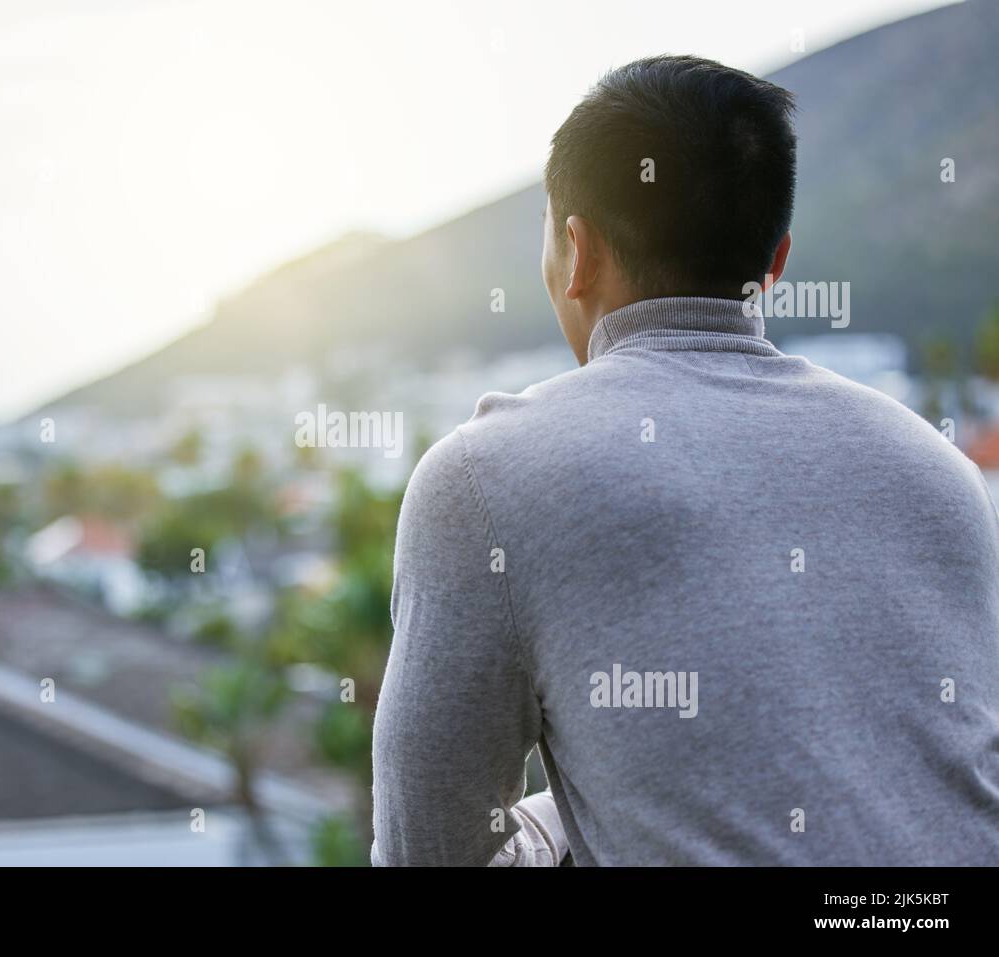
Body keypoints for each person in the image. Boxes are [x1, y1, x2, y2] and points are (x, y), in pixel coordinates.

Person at [370, 55, 999, 866]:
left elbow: (433, 853)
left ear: (577, 250)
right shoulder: (938, 468)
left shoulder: (486, 478)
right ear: (774, 264)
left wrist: (563, 821)